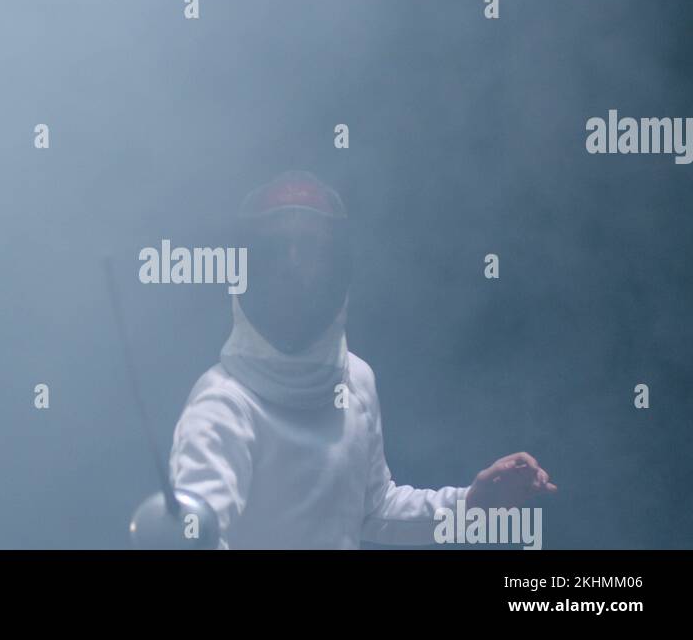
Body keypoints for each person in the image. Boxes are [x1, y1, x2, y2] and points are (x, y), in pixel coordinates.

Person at [168, 171, 556, 549]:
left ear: (337, 265)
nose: (292, 265)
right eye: (275, 250)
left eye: (309, 248)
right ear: (249, 267)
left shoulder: (356, 379)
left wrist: (473, 504)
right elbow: (196, 537)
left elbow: (374, 509)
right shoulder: (221, 405)